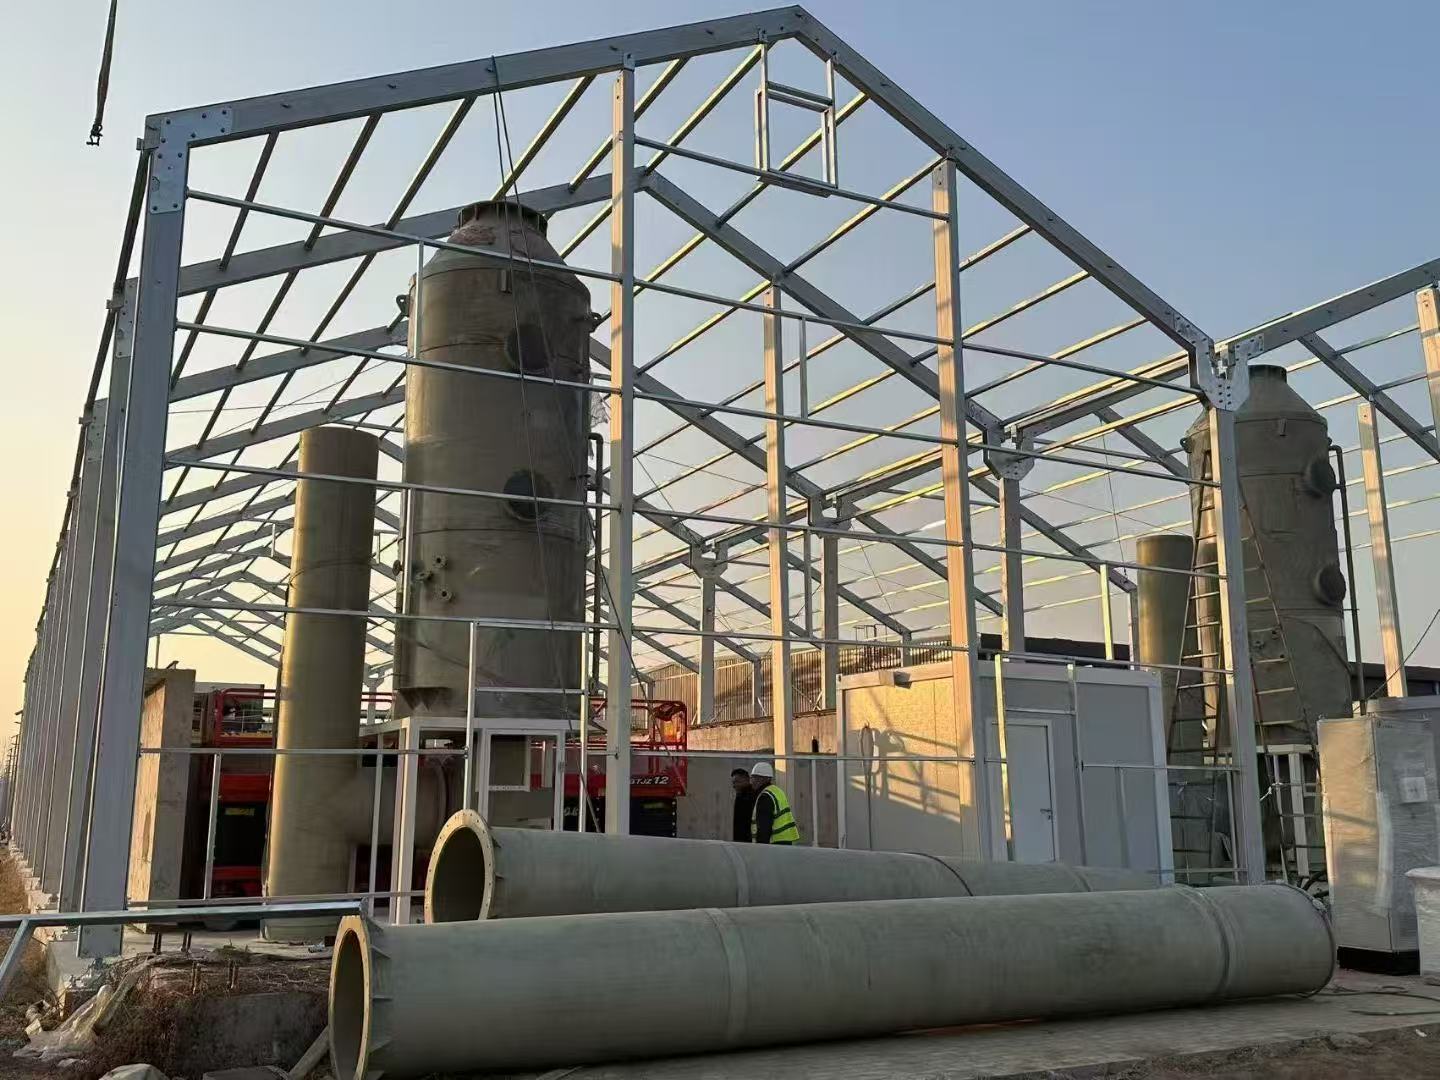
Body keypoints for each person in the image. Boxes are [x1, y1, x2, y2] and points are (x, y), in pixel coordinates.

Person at [749, 761, 800, 845]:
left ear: (766, 779)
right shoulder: (776, 791)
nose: (752, 781)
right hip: (784, 841)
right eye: (752, 777)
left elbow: (764, 827)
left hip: (774, 843)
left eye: (756, 778)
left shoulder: (765, 796)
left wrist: (760, 847)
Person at [730, 767, 756, 843]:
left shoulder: (751, 796)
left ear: (747, 780)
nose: (734, 785)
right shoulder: (740, 795)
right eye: (733, 782)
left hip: (748, 842)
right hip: (742, 842)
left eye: (737, 782)